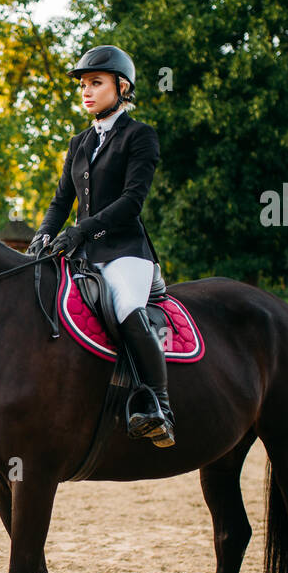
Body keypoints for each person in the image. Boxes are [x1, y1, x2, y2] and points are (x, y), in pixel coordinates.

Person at [27, 44, 174, 447]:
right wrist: (44, 235)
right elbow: (61, 202)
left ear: (121, 86)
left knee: (126, 304)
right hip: (84, 255)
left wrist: (81, 231)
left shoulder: (140, 136)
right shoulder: (79, 142)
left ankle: (158, 405)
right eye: (83, 85)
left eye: (96, 83)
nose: (86, 92)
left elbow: (131, 202)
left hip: (126, 253)